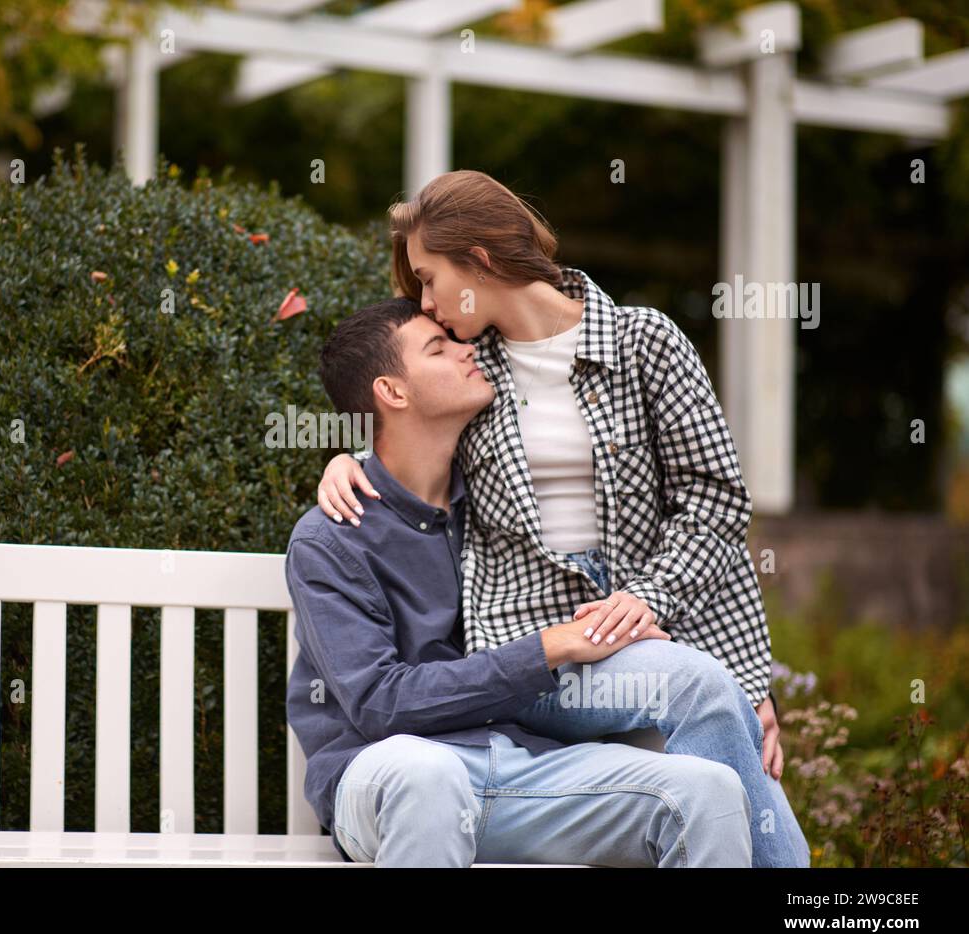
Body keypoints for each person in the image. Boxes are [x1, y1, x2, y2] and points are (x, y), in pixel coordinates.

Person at [315, 172, 810, 866]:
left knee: (707, 703)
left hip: (656, 637)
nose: (423, 303)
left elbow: (715, 504)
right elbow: (402, 430)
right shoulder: (471, 373)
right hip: (539, 660)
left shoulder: (646, 344)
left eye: (428, 280)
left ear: (480, 260)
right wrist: (346, 460)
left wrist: (746, 677)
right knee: (699, 684)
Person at [285, 297, 757, 867]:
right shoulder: (332, 538)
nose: (468, 349)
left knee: (707, 792)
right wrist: (552, 646)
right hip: (388, 773)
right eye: (439, 347)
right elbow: (380, 705)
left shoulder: (492, 505)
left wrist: (751, 689)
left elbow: (700, 522)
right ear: (393, 392)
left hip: (517, 768)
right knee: (427, 772)